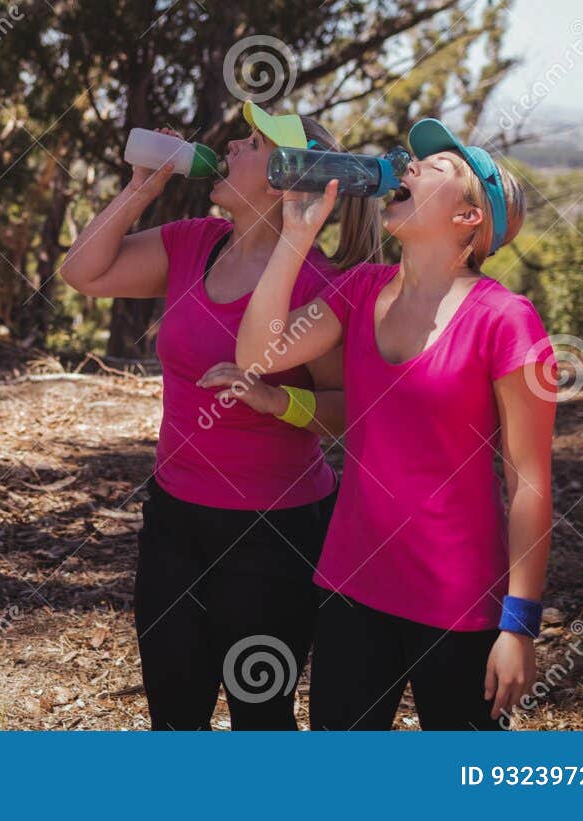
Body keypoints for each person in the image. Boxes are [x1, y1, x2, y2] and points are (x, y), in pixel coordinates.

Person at [61, 102, 376, 730]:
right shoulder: (194, 244)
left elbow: (347, 415)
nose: (231, 144)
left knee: (261, 718)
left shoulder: (324, 284)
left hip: (274, 533)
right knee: (174, 717)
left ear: (292, 175)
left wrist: (278, 400)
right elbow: (82, 273)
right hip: (174, 519)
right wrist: (139, 190)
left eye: (253, 141)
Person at [237, 119, 556, 730]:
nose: (407, 168)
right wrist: (297, 234)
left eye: (433, 168)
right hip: (351, 582)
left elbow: (530, 484)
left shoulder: (506, 320)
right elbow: (260, 354)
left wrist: (519, 624)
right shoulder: (360, 289)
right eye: (412, 162)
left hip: (459, 601)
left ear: (469, 219)